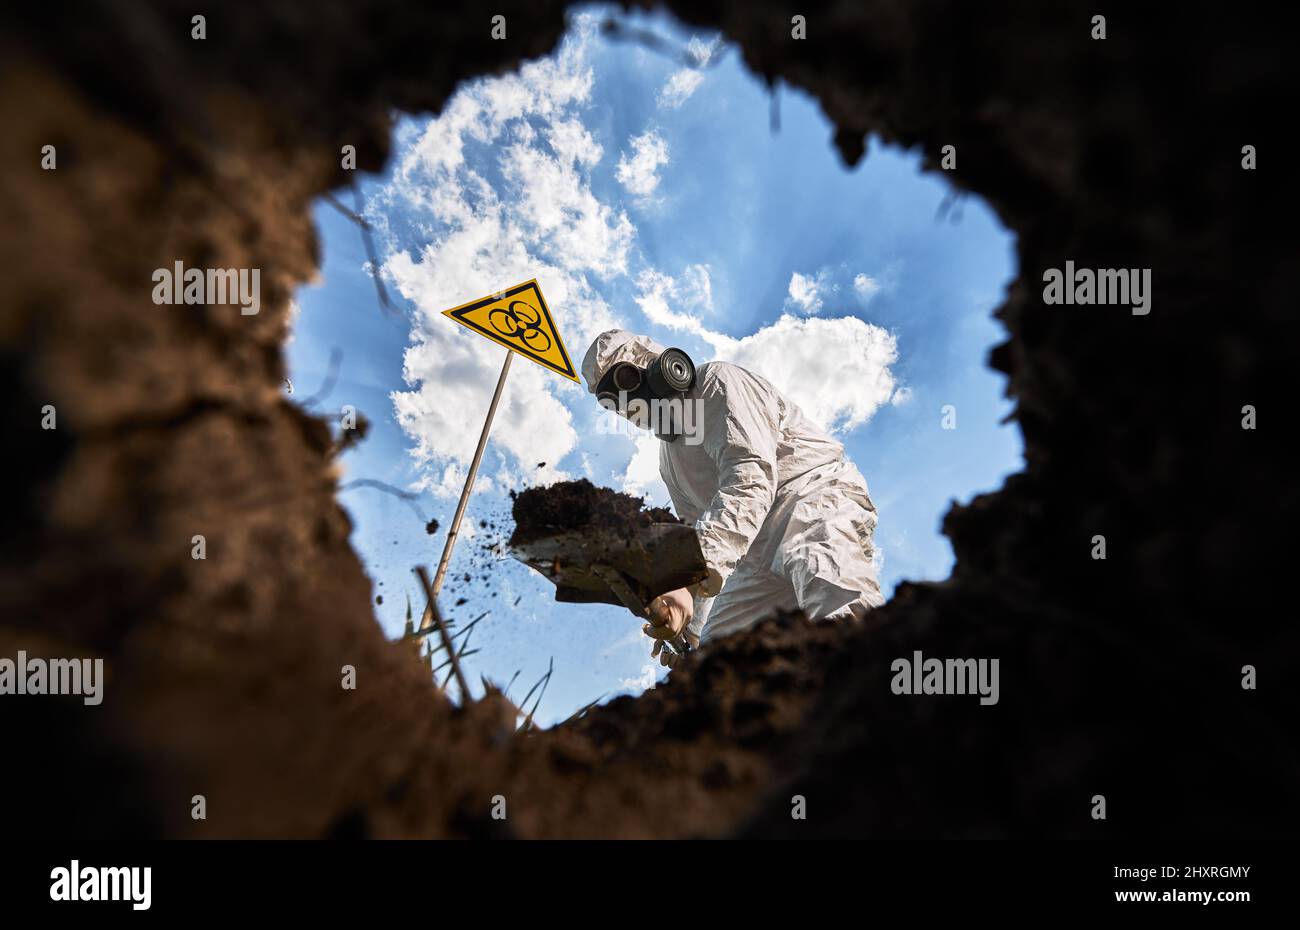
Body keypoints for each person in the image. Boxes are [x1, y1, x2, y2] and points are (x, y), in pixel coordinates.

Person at [581, 330, 884, 666]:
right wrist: (687, 625)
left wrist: (689, 577)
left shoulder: (716, 384)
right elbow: (700, 536)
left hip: (812, 500)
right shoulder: (670, 461)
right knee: (717, 662)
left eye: (625, 382)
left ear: (661, 367)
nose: (626, 406)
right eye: (612, 401)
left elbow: (750, 481)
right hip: (753, 557)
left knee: (829, 587)